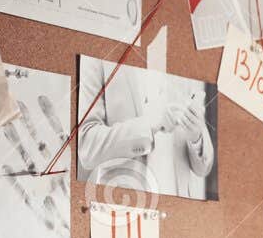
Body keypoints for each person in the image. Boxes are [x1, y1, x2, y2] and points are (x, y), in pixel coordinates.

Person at [77, 58, 214, 200]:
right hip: (125, 205)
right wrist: (150, 124)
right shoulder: (97, 57)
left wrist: (196, 137)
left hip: (178, 207)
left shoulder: (181, 55)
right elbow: (87, 147)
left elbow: (204, 168)